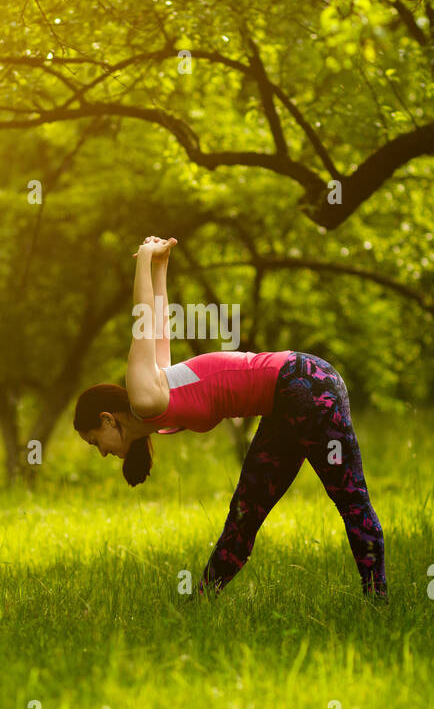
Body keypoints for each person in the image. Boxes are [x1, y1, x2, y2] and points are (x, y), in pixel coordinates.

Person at [73, 235, 387, 598]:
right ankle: (202, 603)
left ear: (109, 419)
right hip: (291, 396)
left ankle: (378, 600)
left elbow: (142, 319)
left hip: (303, 384)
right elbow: (159, 323)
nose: (101, 451)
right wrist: (162, 265)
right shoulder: (157, 394)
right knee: (246, 511)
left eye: (95, 440)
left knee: (347, 497)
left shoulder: (144, 398)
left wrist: (143, 257)